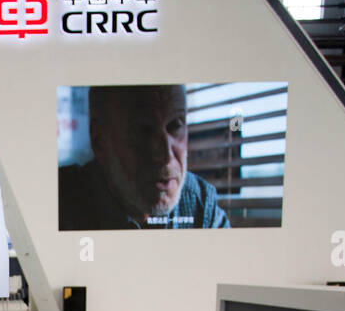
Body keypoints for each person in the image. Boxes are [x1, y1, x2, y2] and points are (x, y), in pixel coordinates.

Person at [58, 84, 230, 230]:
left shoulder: (200, 203)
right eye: (143, 132)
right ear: (100, 141)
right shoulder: (58, 202)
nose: (165, 157)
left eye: (175, 125)